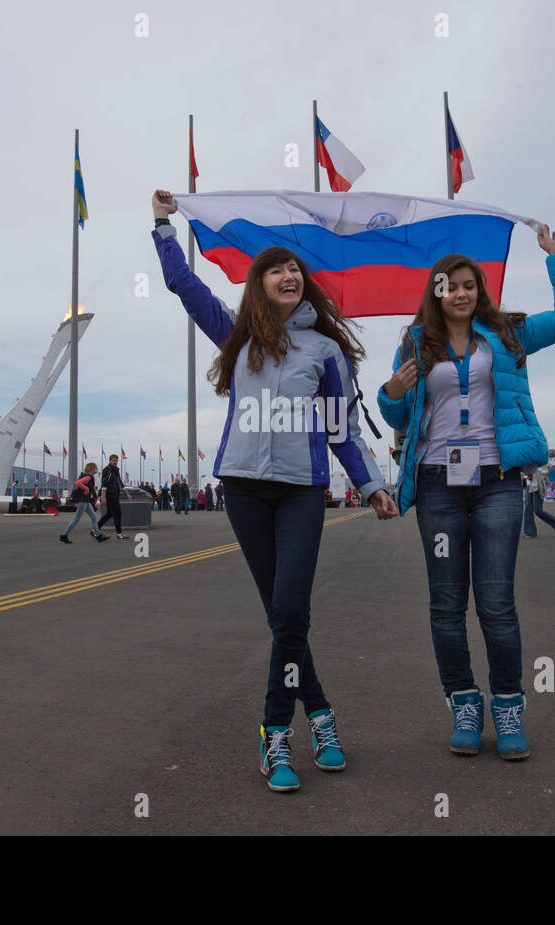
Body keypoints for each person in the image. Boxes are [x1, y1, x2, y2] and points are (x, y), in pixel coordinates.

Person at [154, 188, 396, 792]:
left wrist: (370, 485)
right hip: (241, 488)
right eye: (276, 270)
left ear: (303, 284)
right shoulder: (238, 338)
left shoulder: (326, 351)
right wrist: (162, 226)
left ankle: (274, 732)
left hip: (300, 492)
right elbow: (186, 288)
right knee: (283, 618)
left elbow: (341, 429)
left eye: (294, 269)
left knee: (289, 612)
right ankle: (320, 715)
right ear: (259, 284)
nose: (288, 275)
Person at [379, 222, 555, 762]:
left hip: (496, 482)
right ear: (436, 292)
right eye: (450, 284)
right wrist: (390, 392)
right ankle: (464, 703)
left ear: (480, 289)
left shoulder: (509, 333)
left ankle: (509, 708)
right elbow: (401, 413)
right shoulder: (415, 340)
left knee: (496, 603)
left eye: (470, 283)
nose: (461, 292)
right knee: (447, 604)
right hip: (438, 483)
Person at [61, 462, 107, 543]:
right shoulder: (88, 477)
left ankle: (98, 535)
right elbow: (77, 483)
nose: (97, 469)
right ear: (92, 469)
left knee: (93, 517)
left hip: (86, 501)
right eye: (96, 468)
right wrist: (86, 488)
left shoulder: (89, 477)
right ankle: (64, 535)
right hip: (83, 501)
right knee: (76, 519)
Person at [522, 465, 555, 538]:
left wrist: (533, 471)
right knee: (528, 509)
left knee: (538, 510)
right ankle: (529, 532)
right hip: (529, 485)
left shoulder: (539, 458)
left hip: (537, 484)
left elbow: (546, 471)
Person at [97, 454, 127, 538]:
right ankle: (119, 534)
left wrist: (126, 493)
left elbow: (120, 482)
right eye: (114, 460)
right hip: (110, 495)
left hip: (114, 494)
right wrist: (103, 497)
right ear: (110, 461)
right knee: (118, 513)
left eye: (116, 461)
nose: (115, 462)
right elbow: (104, 484)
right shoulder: (107, 470)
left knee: (110, 513)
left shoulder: (115, 470)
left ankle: (95, 529)